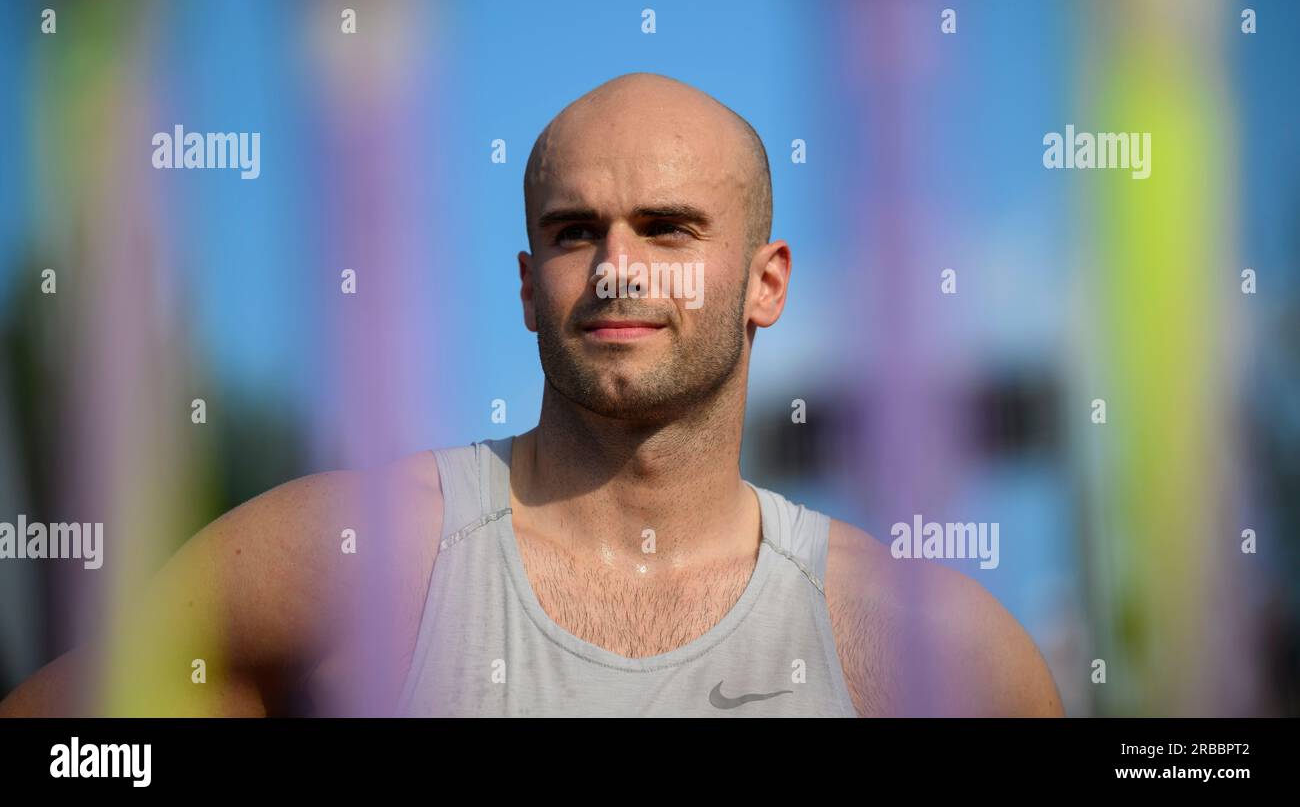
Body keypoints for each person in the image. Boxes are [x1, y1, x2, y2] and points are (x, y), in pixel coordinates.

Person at [0, 72, 1063, 717]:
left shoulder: (929, 648)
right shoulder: (353, 560)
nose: (615, 267)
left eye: (668, 226)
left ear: (767, 281)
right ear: (526, 285)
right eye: (572, 231)